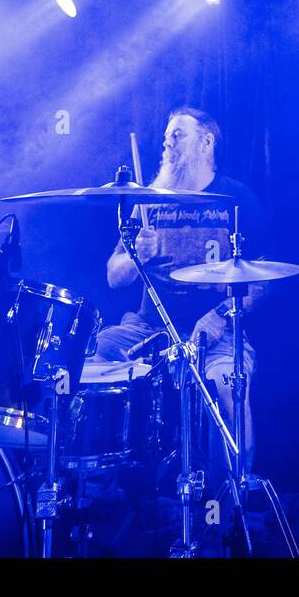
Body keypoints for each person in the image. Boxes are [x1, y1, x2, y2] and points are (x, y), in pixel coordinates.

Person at [98, 106, 265, 455]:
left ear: (206, 142)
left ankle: (234, 492)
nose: (167, 144)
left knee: (229, 384)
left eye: (177, 135)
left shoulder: (236, 199)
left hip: (218, 331)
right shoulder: (148, 202)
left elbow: (264, 280)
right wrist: (135, 257)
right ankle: (95, 481)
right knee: (89, 356)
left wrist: (220, 316)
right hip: (148, 327)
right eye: (165, 138)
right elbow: (114, 276)